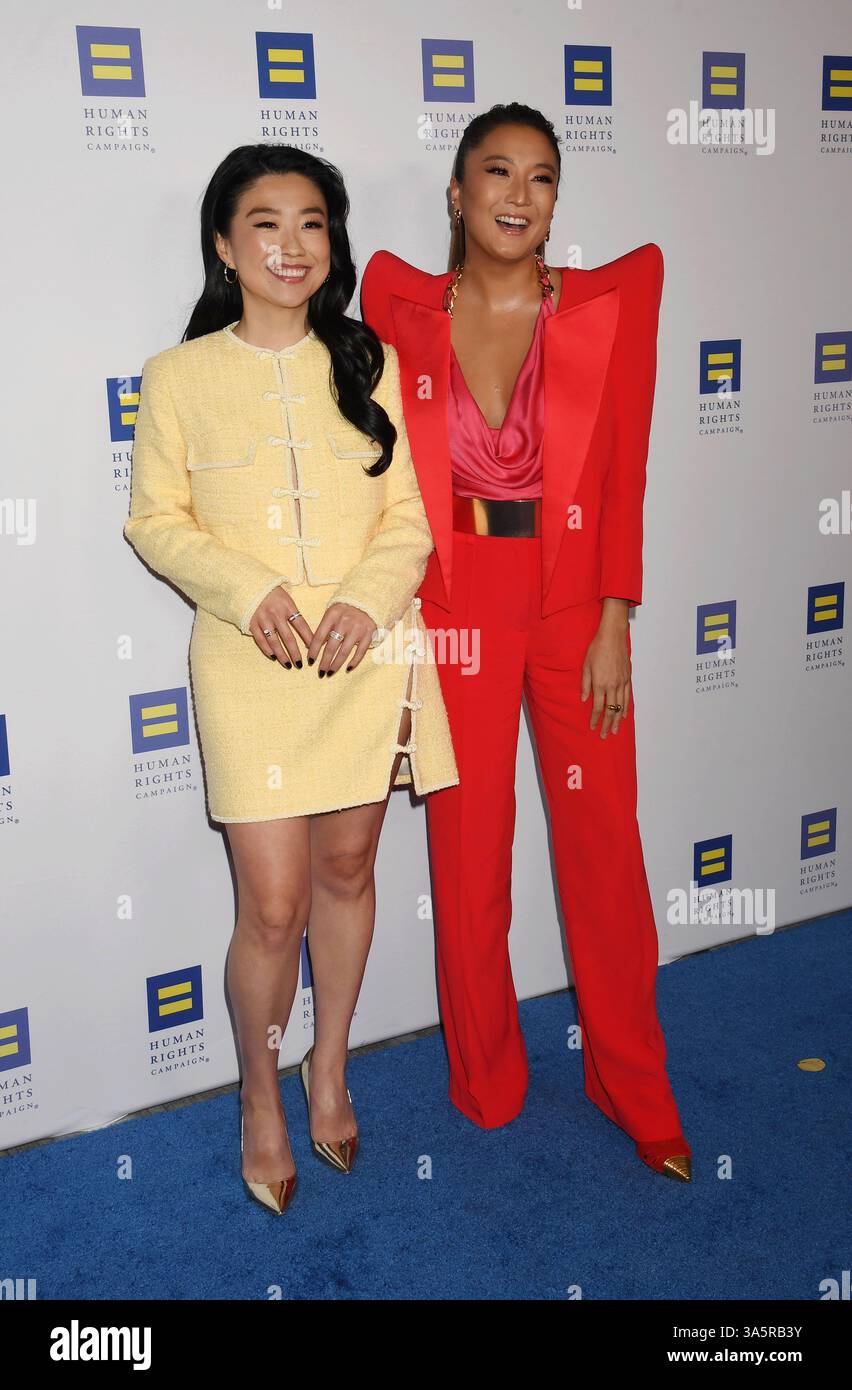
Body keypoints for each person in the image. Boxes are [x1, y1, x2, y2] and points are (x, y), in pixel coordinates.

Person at [123, 143, 458, 1215]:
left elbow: (410, 517)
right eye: (264, 223)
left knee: (349, 870)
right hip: (249, 658)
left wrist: (368, 599)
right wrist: (245, 584)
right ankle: (260, 1095)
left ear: (333, 241)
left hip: (368, 651)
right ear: (224, 244)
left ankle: (331, 1065)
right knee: (271, 907)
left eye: (312, 222)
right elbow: (155, 522)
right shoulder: (179, 378)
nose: (291, 244)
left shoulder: (369, 361)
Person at [360, 102, 692, 1181]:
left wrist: (614, 622)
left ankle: (632, 1083)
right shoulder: (398, 303)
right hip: (454, 605)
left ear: (557, 199)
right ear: (456, 195)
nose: (517, 194)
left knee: (603, 852)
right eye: (494, 172)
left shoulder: (611, 301)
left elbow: (624, 470)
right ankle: (486, 1079)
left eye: (540, 176)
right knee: (466, 857)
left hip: (571, 601)